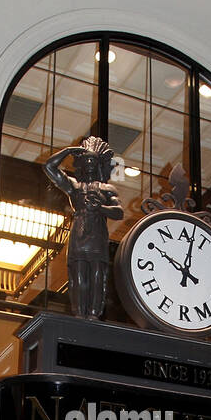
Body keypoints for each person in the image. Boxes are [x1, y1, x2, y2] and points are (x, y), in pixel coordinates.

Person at [43, 136, 123, 319]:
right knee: (78, 275)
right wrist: (68, 151)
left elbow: (119, 212)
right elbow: (48, 167)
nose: (89, 164)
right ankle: (79, 312)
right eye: (85, 160)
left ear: (98, 164)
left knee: (96, 274)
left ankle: (94, 313)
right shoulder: (74, 186)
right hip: (79, 232)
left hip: (97, 234)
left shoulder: (106, 188)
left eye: (92, 161)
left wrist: (100, 208)